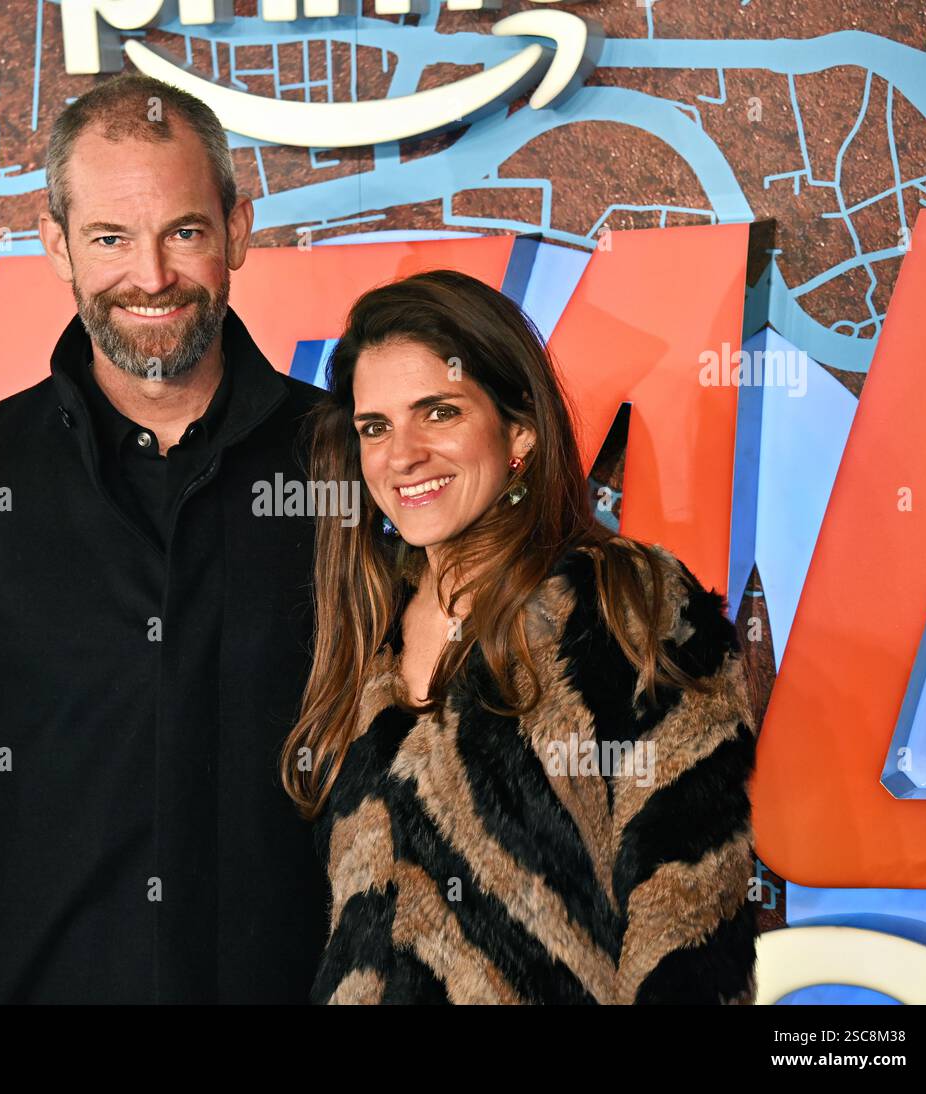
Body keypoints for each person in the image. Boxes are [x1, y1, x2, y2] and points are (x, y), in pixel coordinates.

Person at [0, 74, 329, 1003]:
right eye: (110, 238)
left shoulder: (345, 466)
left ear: (238, 231)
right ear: (58, 244)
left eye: (184, 231)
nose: (153, 276)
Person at [281, 269, 760, 1004]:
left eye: (437, 413)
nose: (400, 454)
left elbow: (687, 915)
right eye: (375, 426)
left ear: (520, 433)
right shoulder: (363, 633)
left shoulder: (622, 604)